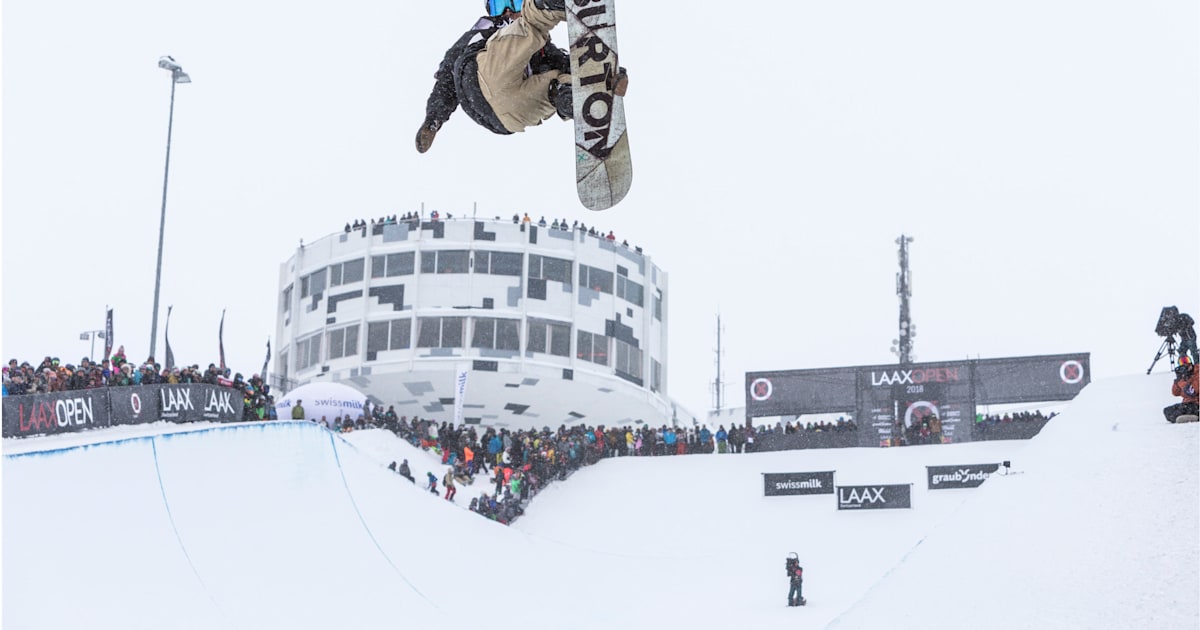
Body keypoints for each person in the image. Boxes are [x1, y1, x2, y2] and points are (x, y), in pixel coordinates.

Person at [414, 0, 628, 153]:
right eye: (499, 5)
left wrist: (606, 76)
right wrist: (434, 119)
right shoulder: (484, 32)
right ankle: (556, 5)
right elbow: (446, 81)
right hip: (485, 80)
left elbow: (571, 66)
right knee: (532, 21)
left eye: (514, 3)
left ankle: (576, 100)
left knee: (559, 81)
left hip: (510, 117)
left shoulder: (543, 51)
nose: (507, 11)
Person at [1163, 357, 1199, 423]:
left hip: (1197, 403)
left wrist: (1181, 382)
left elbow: (1192, 392)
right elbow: (1175, 393)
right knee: (1167, 411)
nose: (1185, 364)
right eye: (1182, 362)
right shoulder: (1184, 376)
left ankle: (1196, 417)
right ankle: (1191, 416)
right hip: (1187, 403)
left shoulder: (1197, 374)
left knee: (1178, 413)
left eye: (1187, 361)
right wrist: (1177, 380)